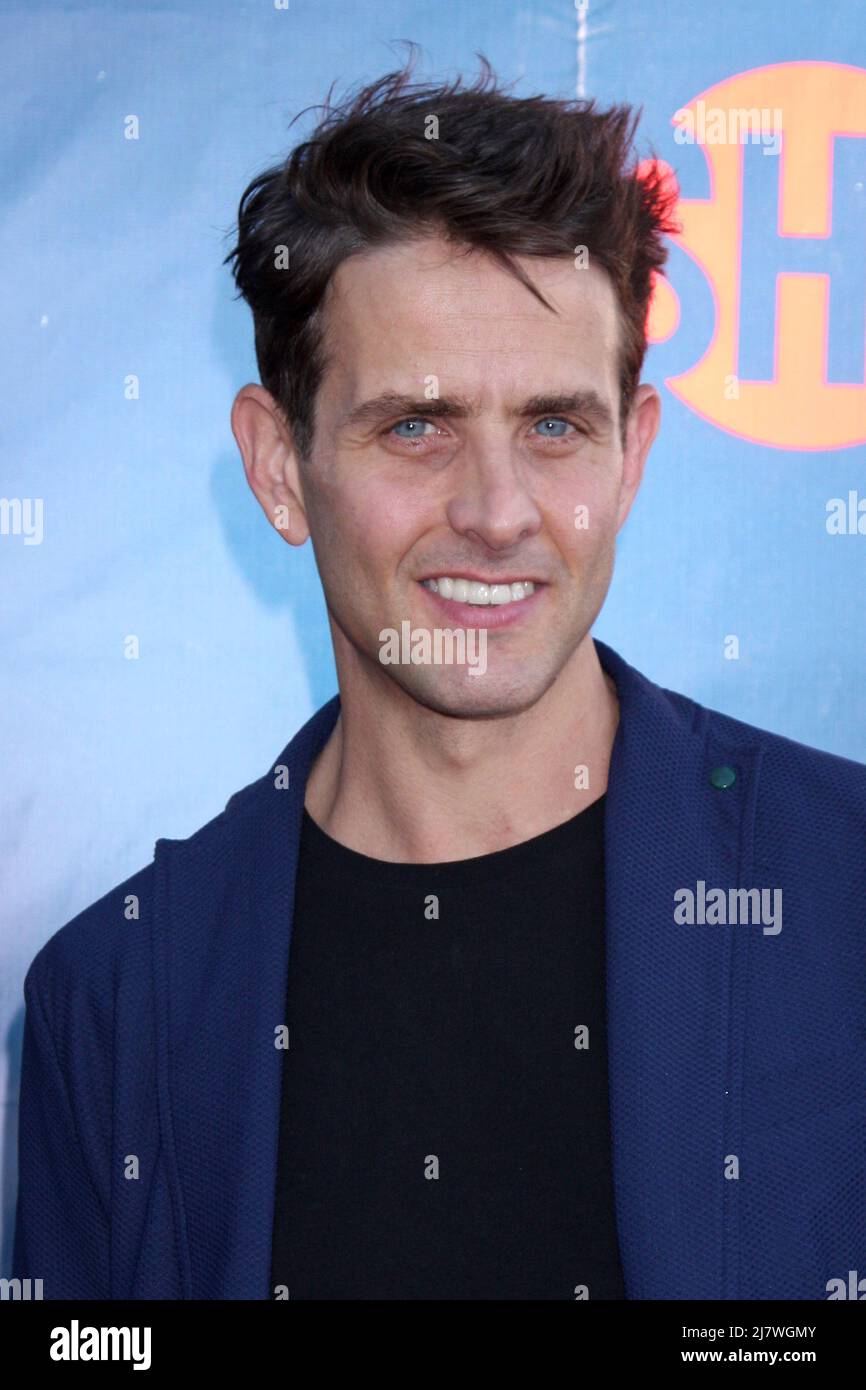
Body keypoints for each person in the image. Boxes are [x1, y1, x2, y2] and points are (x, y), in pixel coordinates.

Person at [13, 57, 866, 1301]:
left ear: (632, 455)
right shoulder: (117, 997)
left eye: (554, 425)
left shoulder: (841, 889)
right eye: (414, 425)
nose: (495, 512)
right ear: (277, 467)